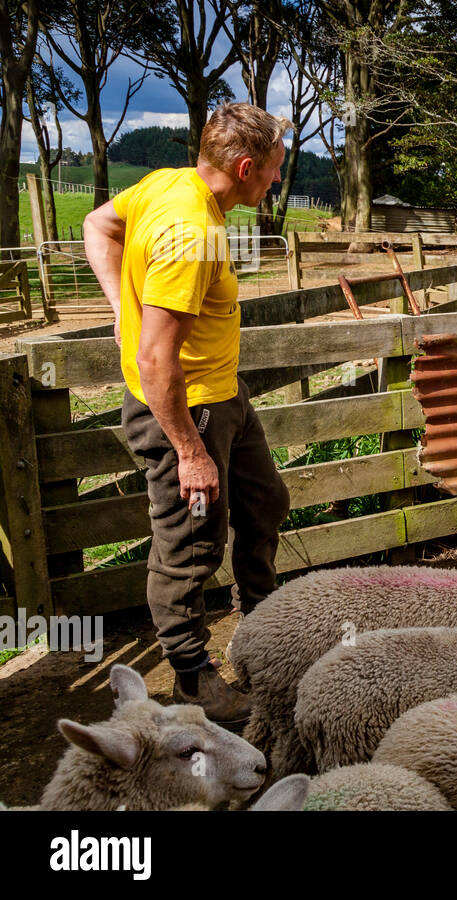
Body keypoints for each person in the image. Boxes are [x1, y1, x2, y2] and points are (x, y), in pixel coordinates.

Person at [83, 103, 293, 728]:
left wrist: (119, 303)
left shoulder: (170, 182)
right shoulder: (189, 233)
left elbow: (99, 224)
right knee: (189, 542)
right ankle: (194, 675)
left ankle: (262, 622)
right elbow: (154, 360)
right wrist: (190, 452)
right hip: (184, 411)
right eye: (276, 170)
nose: (277, 182)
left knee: (266, 501)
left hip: (221, 395)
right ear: (247, 167)